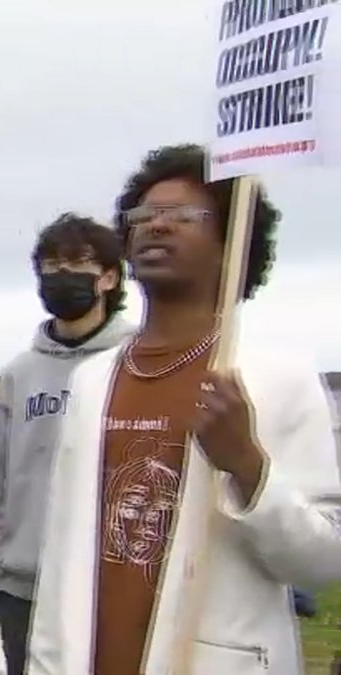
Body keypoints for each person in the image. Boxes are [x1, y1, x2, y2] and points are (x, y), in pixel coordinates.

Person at [27, 144, 341, 674]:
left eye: (183, 217)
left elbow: (320, 562)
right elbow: (62, 556)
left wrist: (248, 466)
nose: (157, 226)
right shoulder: (91, 381)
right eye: (145, 216)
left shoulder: (276, 379)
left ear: (231, 245)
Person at [0, 213, 133, 675]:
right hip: (23, 586)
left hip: (105, 586)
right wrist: (0, 564)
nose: (61, 276)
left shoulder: (134, 361)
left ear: (108, 277)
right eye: (50, 266)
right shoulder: (20, 372)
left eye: (77, 263)